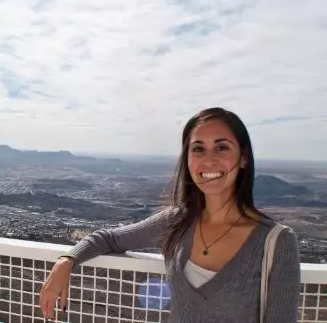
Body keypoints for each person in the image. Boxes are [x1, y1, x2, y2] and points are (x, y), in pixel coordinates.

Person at [39, 107, 300, 322]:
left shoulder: (276, 242)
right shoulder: (177, 222)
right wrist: (66, 261)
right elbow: (108, 238)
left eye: (222, 148)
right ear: (187, 159)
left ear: (243, 158)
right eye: (198, 149)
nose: (208, 160)